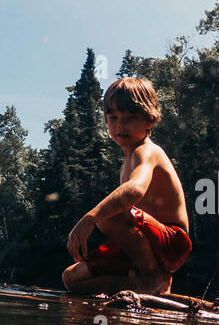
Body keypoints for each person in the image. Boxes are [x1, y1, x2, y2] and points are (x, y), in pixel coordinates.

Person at [62, 77, 191, 295]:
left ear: (150, 120)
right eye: (113, 117)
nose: (120, 125)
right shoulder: (128, 158)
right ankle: (138, 286)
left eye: (131, 118)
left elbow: (135, 189)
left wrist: (91, 216)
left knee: (107, 214)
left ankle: (155, 277)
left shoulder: (146, 151)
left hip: (171, 241)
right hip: (144, 245)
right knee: (72, 278)